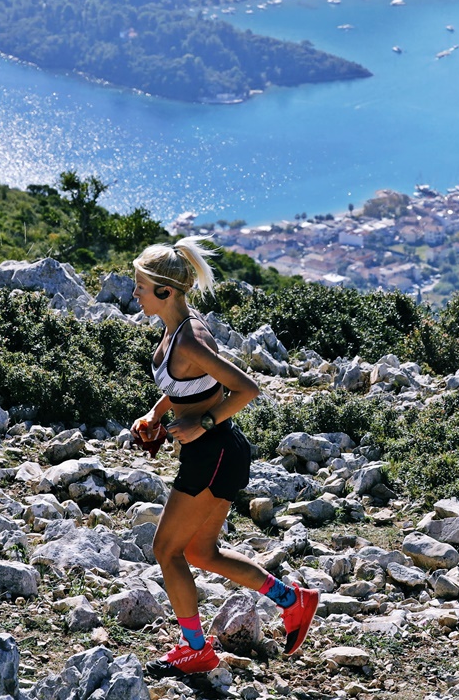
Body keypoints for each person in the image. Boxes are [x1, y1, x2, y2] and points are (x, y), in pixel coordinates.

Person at [130, 236, 319, 676]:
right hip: (216, 453)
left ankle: (195, 648)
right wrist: (155, 413)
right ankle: (294, 600)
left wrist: (203, 425)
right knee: (201, 552)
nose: (134, 294)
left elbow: (246, 390)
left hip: (214, 453)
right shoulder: (175, 327)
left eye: (140, 286)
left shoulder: (191, 340)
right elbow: (188, 388)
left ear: (166, 291)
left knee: (166, 550)